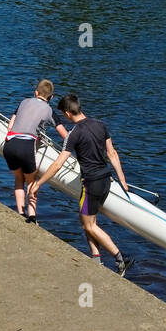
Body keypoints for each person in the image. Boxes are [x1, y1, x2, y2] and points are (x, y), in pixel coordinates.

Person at [29, 94, 135, 276]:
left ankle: (120, 259)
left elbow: (57, 164)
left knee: (89, 225)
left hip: (90, 184)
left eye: (64, 115)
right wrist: (123, 180)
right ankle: (95, 257)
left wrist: (39, 183)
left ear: (68, 113)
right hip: (105, 180)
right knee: (86, 219)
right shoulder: (101, 125)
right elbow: (112, 154)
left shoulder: (74, 133)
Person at [2, 80, 67, 222]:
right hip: (26, 147)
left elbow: (10, 125)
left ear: (35, 93)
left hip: (9, 144)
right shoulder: (50, 110)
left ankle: (20, 213)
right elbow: (65, 135)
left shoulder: (24, 102)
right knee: (32, 182)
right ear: (51, 97)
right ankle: (32, 216)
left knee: (19, 179)